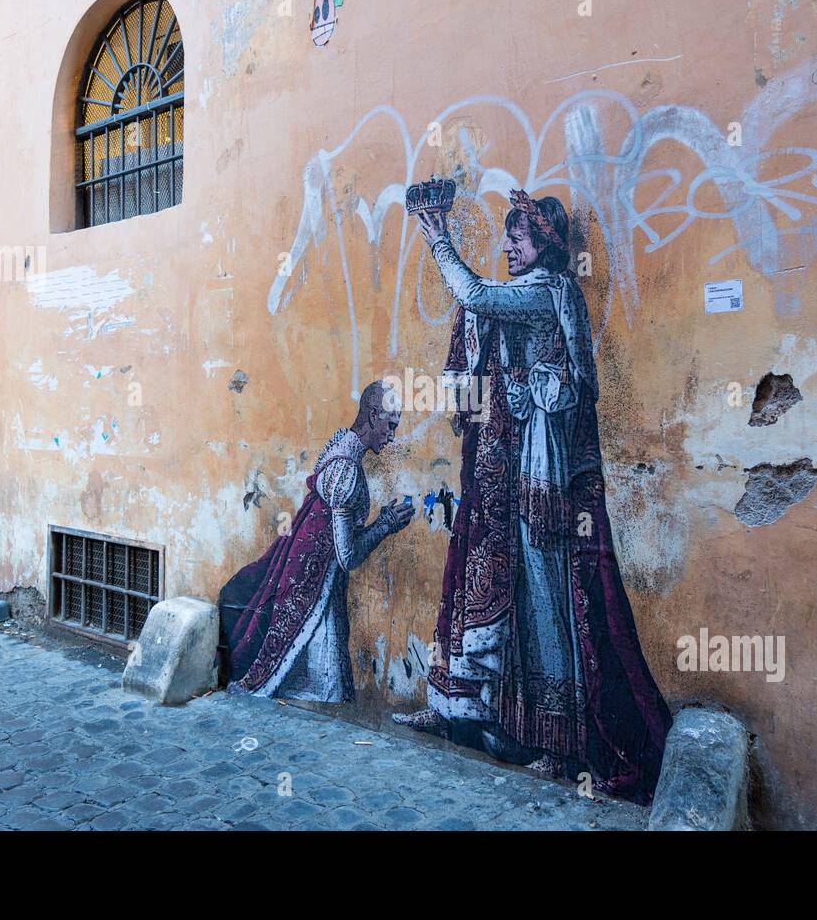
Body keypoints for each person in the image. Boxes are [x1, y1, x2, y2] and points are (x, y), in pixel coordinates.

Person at [394, 191, 673, 803]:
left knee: (550, 607)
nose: (508, 247)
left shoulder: (550, 290)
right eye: (508, 238)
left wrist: (436, 235)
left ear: (543, 243)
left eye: (516, 238)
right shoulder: (544, 292)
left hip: (547, 483)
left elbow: (476, 295)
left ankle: (561, 743)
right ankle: (510, 725)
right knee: (521, 600)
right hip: (521, 475)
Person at [222, 381, 414, 702]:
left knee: (323, 685)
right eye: (390, 425)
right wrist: (385, 524)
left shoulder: (340, 444)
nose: (392, 435)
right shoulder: (346, 471)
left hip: (311, 576)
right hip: (314, 590)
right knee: (329, 687)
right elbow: (347, 557)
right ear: (371, 416)